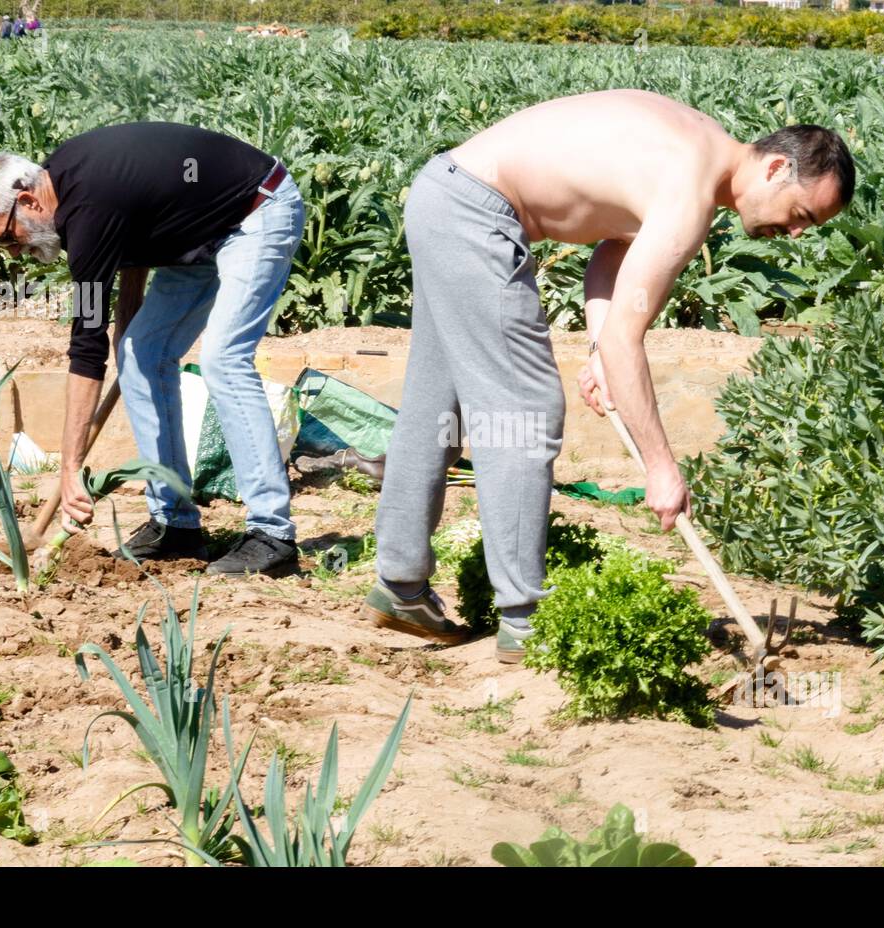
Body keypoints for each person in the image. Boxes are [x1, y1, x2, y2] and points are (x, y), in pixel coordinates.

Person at [363, 89, 855, 663]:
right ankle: (526, 619)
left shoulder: (697, 148)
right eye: (801, 215)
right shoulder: (688, 195)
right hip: (476, 213)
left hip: (443, 194)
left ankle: (400, 586)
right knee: (526, 410)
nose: (796, 233)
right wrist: (661, 469)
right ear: (775, 167)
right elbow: (630, 337)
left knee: (436, 406)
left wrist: (598, 350)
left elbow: (612, 253)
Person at [0, 123, 306, 576]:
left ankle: (272, 535)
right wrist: (132, 342)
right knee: (139, 355)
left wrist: (70, 468)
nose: (15, 253)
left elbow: (86, 347)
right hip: (194, 234)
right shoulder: (69, 190)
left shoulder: (86, 210)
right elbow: (133, 253)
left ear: (27, 201)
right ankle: (175, 525)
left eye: (7, 239)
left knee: (223, 359)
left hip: (256, 210)